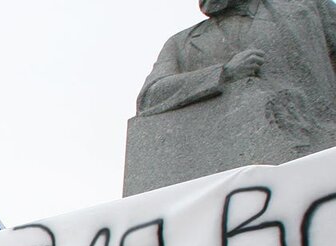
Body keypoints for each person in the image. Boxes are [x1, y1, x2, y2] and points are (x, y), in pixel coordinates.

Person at [137, 0, 336, 148]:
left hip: (320, 147)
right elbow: (149, 97)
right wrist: (223, 74)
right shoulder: (181, 43)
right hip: (235, 158)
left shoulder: (307, 8)